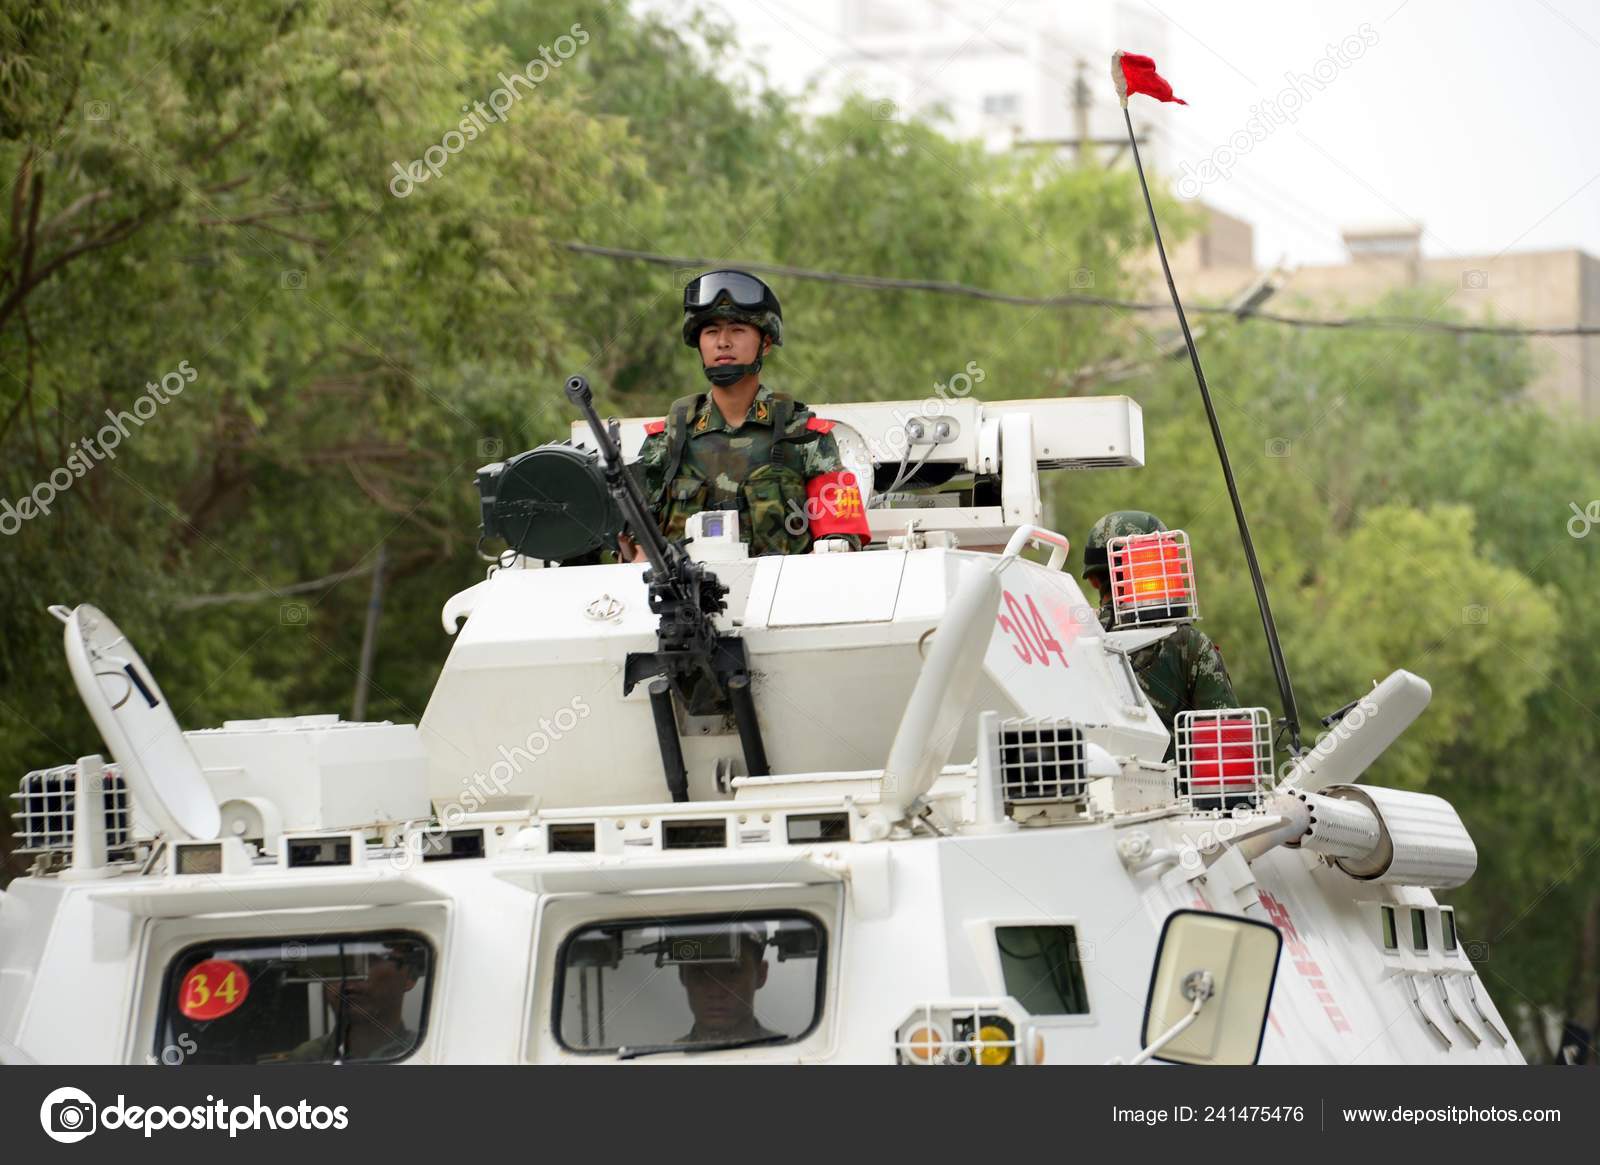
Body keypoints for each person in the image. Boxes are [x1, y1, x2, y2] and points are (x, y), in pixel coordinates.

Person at [618, 269, 871, 561]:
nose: (723, 342)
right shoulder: (668, 441)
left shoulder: (807, 437)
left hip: (781, 600)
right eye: (711, 331)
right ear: (699, 344)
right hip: (686, 602)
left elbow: (838, 543)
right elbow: (634, 552)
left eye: (737, 330)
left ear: (765, 343)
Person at [1081, 510, 1238, 750]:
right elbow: (1226, 739)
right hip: (1177, 787)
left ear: (1092, 579)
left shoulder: (1068, 639)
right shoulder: (1190, 644)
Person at [276, 944, 423, 1063]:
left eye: (368, 959)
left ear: (409, 975)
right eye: (334, 963)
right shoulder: (306, 1058)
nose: (348, 977)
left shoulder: (430, 1051)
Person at [675, 930, 783, 1046]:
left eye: (732, 971)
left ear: (761, 974)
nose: (715, 992)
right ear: (682, 974)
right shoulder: (664, 1060)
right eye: (700, 972)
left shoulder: (790, 1059)